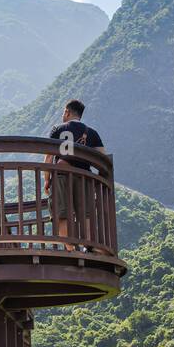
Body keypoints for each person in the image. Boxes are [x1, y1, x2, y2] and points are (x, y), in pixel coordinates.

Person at [46, 100, 104, 249]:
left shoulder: (57, 129)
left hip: (61, 175)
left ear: (67, 112)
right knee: (86, 214)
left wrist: (47, 180)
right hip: (84, 176)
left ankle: (70, 249)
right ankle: (89, 247)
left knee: (62, 212)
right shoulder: (92, 133)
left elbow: (48, 158)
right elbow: (103, 158)